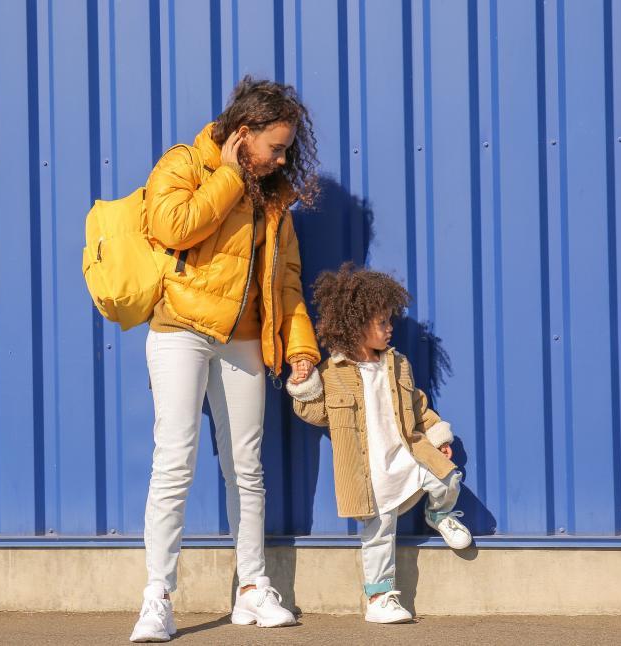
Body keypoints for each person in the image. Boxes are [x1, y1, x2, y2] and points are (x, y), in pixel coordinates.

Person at [130, 76, 321, 643]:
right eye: (276, 147)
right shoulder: (185, 164)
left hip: (244, 338)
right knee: (175, 459)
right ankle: (157, 598)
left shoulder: (274, 196)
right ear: (244, 133)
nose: (282, 159)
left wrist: (301, 347)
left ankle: (252, 589)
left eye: (287, 149)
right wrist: (231, 175)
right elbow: (172, 226)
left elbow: (286, 280)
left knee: (247, 467)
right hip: (180, 330)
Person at [286, 263, 472, 624]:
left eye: (390, 321)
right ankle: (379, 597)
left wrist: (437, 436)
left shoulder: (397, 363)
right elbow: (313, 411)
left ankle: (438, 514)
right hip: (369, 472)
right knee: (379, 533)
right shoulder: (333, 372)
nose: (390, 329)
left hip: (407, 454)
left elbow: (417, 405)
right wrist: (301, 383)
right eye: (382, 322)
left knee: (448, 478)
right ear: (356, 325)